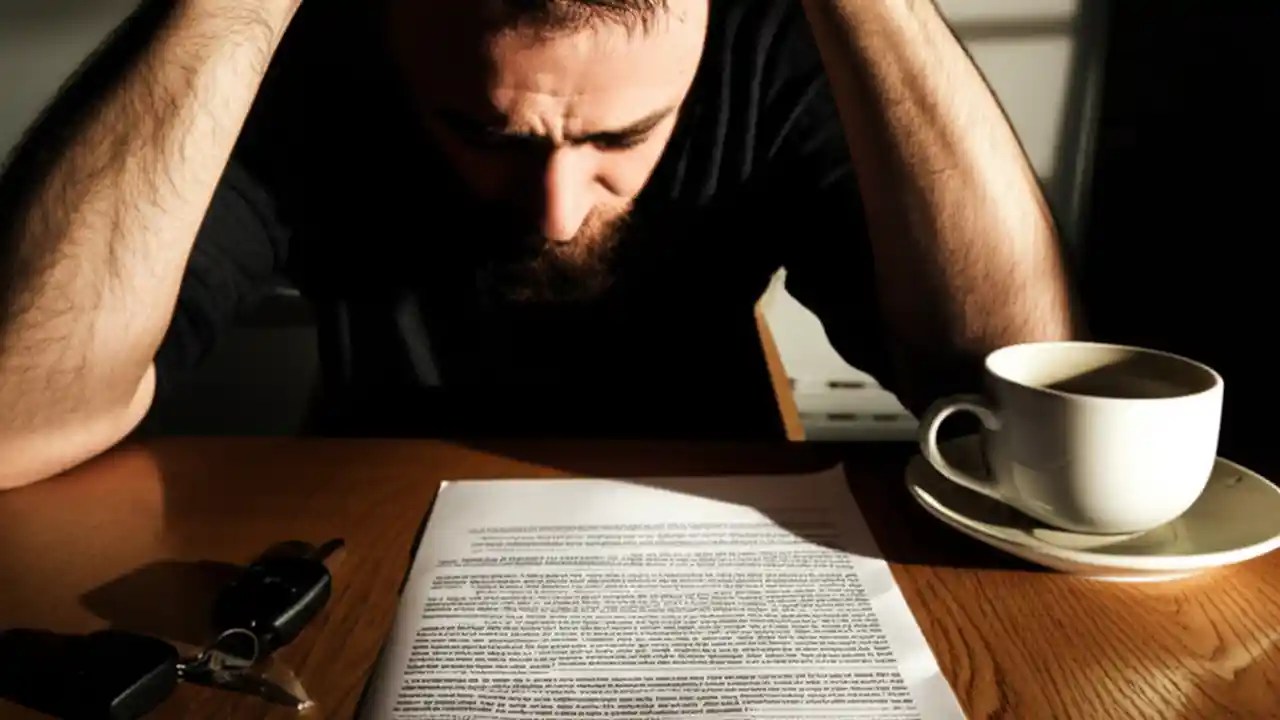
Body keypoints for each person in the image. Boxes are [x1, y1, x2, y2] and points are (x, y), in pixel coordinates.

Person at [0, 0, 1074, 490]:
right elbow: (17, 417)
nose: (555, 213)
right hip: (365, 521)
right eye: (481, 132)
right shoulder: (312, 53)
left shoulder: (772, 46)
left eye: (621, 137)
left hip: (721, 518)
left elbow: (1012, 400)